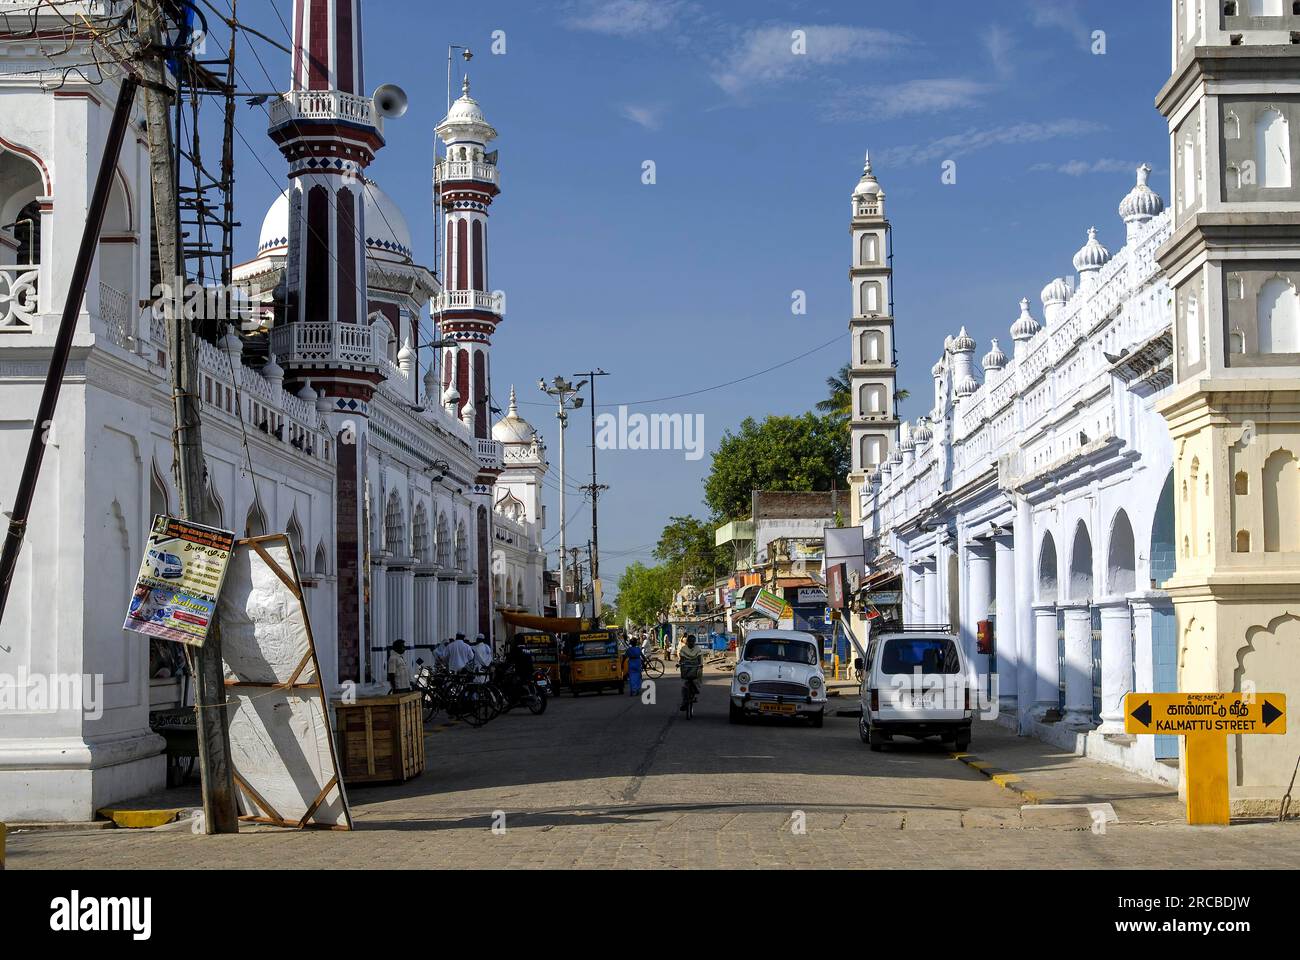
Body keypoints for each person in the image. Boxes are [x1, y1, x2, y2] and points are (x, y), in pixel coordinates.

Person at [677, 634, 706, 711]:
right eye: (690, 641)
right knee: (684, 686)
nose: (691, 643)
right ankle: (684, 702)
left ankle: (695, 690)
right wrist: (680, 663)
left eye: (693, 641)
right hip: (686, 667)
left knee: (695, 680)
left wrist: (700, 665)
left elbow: (700, 658)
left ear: (694, 642)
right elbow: (682, 658)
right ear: (687, 642)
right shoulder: (683, 649)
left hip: (695, 667)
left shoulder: (697, 649)